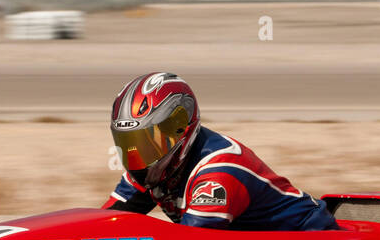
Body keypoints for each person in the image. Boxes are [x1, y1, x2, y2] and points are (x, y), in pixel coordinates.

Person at [103, 72, 338, 231]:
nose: (136, 153)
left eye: (146, 141)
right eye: (128, 142)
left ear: (178, 129)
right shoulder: (145, 169)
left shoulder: (218, 171)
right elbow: (105, 224)